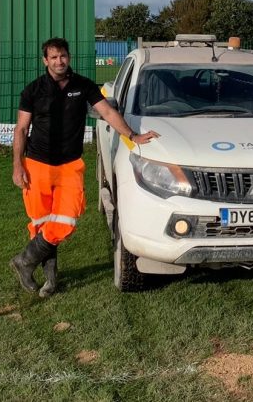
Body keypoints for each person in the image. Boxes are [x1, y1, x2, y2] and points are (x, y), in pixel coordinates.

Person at [10, 37, 158, 297]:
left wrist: (132, 136)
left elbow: (109, 113)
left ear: (69, 57)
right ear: (45, 60)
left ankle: (24, 260)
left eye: (63, 56)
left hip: (70, 165)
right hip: (37, 165)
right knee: (43, 224)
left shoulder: (84, 85)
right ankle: (51, 281)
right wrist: (17, 166)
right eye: (53, 57)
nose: (59, 61)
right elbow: (21, 129)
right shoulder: (32, 90)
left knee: (66, 220)